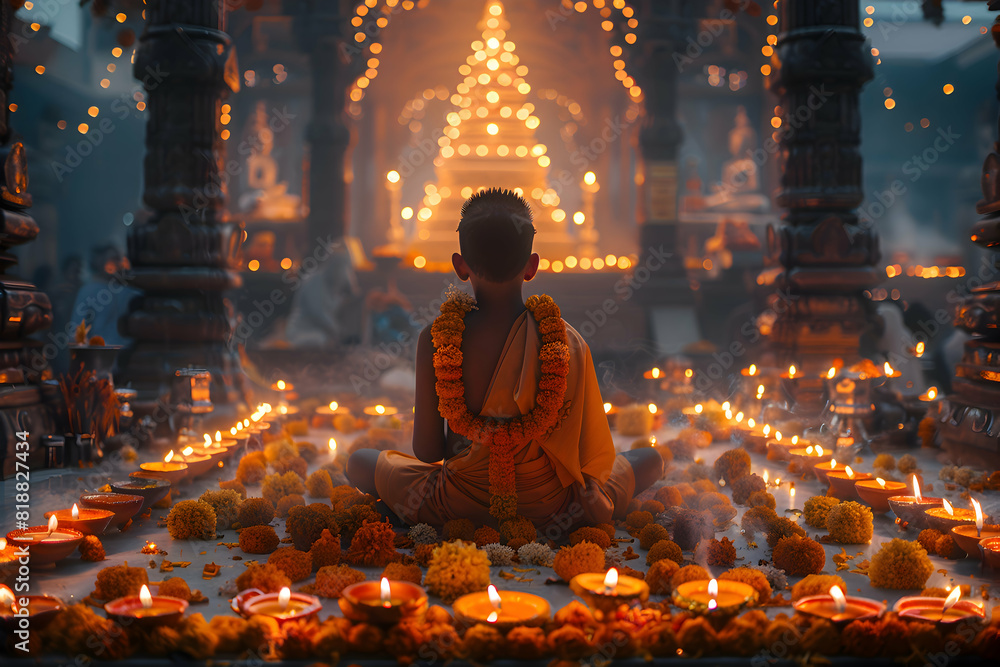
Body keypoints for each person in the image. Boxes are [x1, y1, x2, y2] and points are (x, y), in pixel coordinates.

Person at [347, 188, 663, 530]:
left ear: (460, 266)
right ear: (531, 267)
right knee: (649, 459)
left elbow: (426, 452)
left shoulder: (435, 338)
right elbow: (588, 458)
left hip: (457, 503)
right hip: (554, 506)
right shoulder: (565, 341)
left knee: (361, 463)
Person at [70, 244, 139, 346]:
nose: (117, 264)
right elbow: (78, 328)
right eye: (112, 259)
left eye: (118, 259)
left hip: (126, 354)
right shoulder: (88, 291)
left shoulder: (128, 291)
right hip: (99, 354)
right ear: (99, 262)